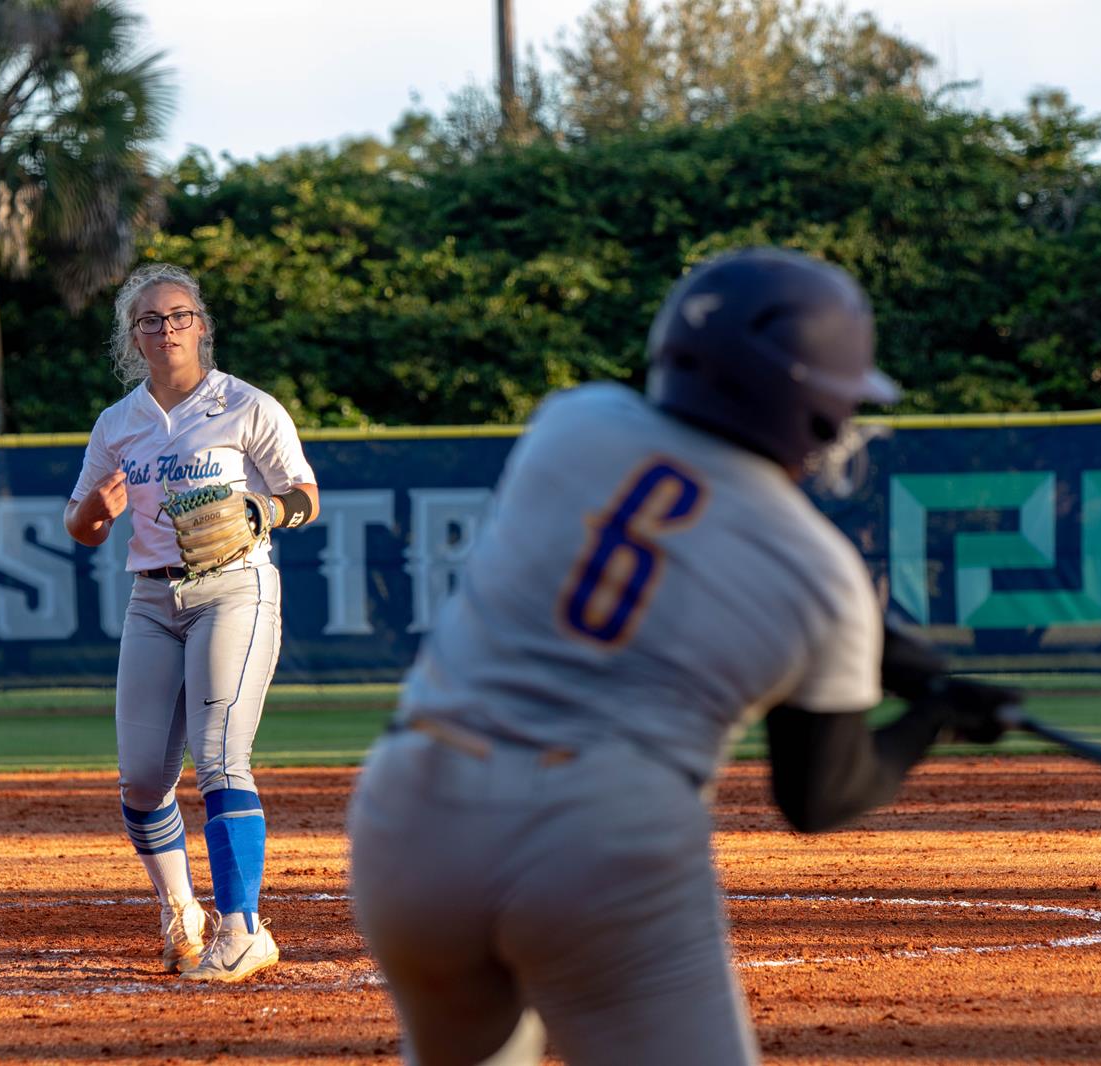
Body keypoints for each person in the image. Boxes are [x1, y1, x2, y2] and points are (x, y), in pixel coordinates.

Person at [347, 248, 1012, 1064]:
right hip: (597, 840)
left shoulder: (574, 423)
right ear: (811, 404)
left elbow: (681, 564)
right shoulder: (821, 572)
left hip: (413, 814)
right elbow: (823, 797)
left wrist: (916, 668)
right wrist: (934, 718)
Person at [64, 262, 320, 983]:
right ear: (132, 338)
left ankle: (241, 930)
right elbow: (81, 524)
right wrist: (95, 515)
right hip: (152, 600)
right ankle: (183, 912)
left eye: (180, 315)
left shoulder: (247, 407)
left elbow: (305, 494)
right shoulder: (118, 425)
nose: (167, 328)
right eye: (151, 319)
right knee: (143, 780)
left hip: (235, 589)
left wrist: (264, 510)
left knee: (218, 757)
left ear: (202, 327)